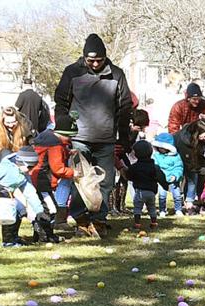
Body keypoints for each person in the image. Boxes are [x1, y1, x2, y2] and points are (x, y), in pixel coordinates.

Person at [54, 34, 133, 223]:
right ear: (84, 58)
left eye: (99, 60)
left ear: (105, 57)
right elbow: (61, 102)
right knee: (80, 179)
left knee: (105, 181)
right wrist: (63, 131)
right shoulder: (72, 72)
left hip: (106, 138)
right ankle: (80, 218)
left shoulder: (117, 74)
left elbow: (124, 106)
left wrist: (123, 139)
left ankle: (99, 219)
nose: (95, 64)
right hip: (78, 137)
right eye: (91, 61)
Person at [0, 146, 57, 245]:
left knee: (21, 211)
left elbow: (30, 193)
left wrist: (39, 211)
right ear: (21, 162)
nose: (30, 170)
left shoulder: (23, 175)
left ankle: (14, 237)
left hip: (6, 192)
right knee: (10, 213)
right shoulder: (5, 168)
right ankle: (8, 242)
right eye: (29, 167)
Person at [30, 111, 78, 221]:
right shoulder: (54, 145)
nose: (70, 140)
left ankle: (44, 233)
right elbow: (58, 169)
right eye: (69, 137)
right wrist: (73, 173)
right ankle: (46, 235)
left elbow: (48, 154)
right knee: (49, 209)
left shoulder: (47, 136)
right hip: (43, 180)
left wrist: (67, 152)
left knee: (43, 207)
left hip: (35, 176)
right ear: (63, 134)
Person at [126, 139, 168, 230]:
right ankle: (154, 223)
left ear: (136, 154)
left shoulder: (135, 167)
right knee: (152, 208)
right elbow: (161, 177)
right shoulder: (154, 167)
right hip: (151, 192)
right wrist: (165, 185)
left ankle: (137, 224)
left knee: (138, 208)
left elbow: (129, 176)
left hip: (140, 192)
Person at [151, 132, 184, 217]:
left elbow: (179, 167)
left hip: (173, 178)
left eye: (163, 147)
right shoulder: (156, 156)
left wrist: (176, 176)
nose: (161, 149)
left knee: (177, 195)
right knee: (162, 196)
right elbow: (155, 166)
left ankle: (178, 209)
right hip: (162, 179)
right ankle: (162, 210)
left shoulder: (176, 157)